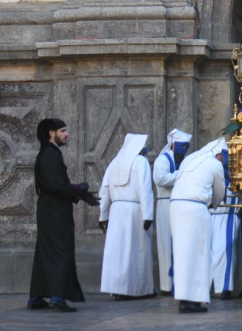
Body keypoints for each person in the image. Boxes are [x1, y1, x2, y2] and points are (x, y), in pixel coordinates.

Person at [28, 118, 99, 313]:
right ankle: (57, 298)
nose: (66, 134)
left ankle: (35, 297)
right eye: (62, 131)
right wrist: (78, 190)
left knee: (45, 252)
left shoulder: (47, 153)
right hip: (55, 211)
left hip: (50, 208)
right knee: (61, 251)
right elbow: (55, 185)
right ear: (52, 133)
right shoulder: (50, 154)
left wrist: (79, 193)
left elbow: (55, 184)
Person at [170, 139, 226, 313]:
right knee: (199, 254)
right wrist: (214, 204)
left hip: (176, 206)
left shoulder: (191, 158)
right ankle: (193, 300)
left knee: (182, 254)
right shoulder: (215, 164)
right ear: (219, 154)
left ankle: (183, 298)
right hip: (195, 208)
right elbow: (219, 192)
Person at [99, 133, 155, 300]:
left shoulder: (114, 163)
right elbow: (145, 190)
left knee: (118, 252)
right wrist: (148, 215)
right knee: (135, 250)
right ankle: (136, 289)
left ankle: (118, 288)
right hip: (134, 212)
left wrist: (103, 215)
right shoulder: (141, 162)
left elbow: (105, 189)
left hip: (116, 212)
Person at [153, 128, 191, 295]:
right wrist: (180, 175)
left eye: (186, 147)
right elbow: (160, 179)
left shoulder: (183, 160)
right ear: (174, 144)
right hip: (165, 205)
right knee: (166, 244)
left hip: (179, 205)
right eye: (182, 146)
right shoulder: (163, 160)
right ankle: (167, 285)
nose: (184, 150)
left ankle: (179, 283)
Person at [209, 138, 242, 299]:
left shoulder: (235, 172)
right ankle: (212, 287)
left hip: (228, 216)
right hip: (212, 217)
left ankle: (226, 287)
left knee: (225, 250)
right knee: (211, 253)